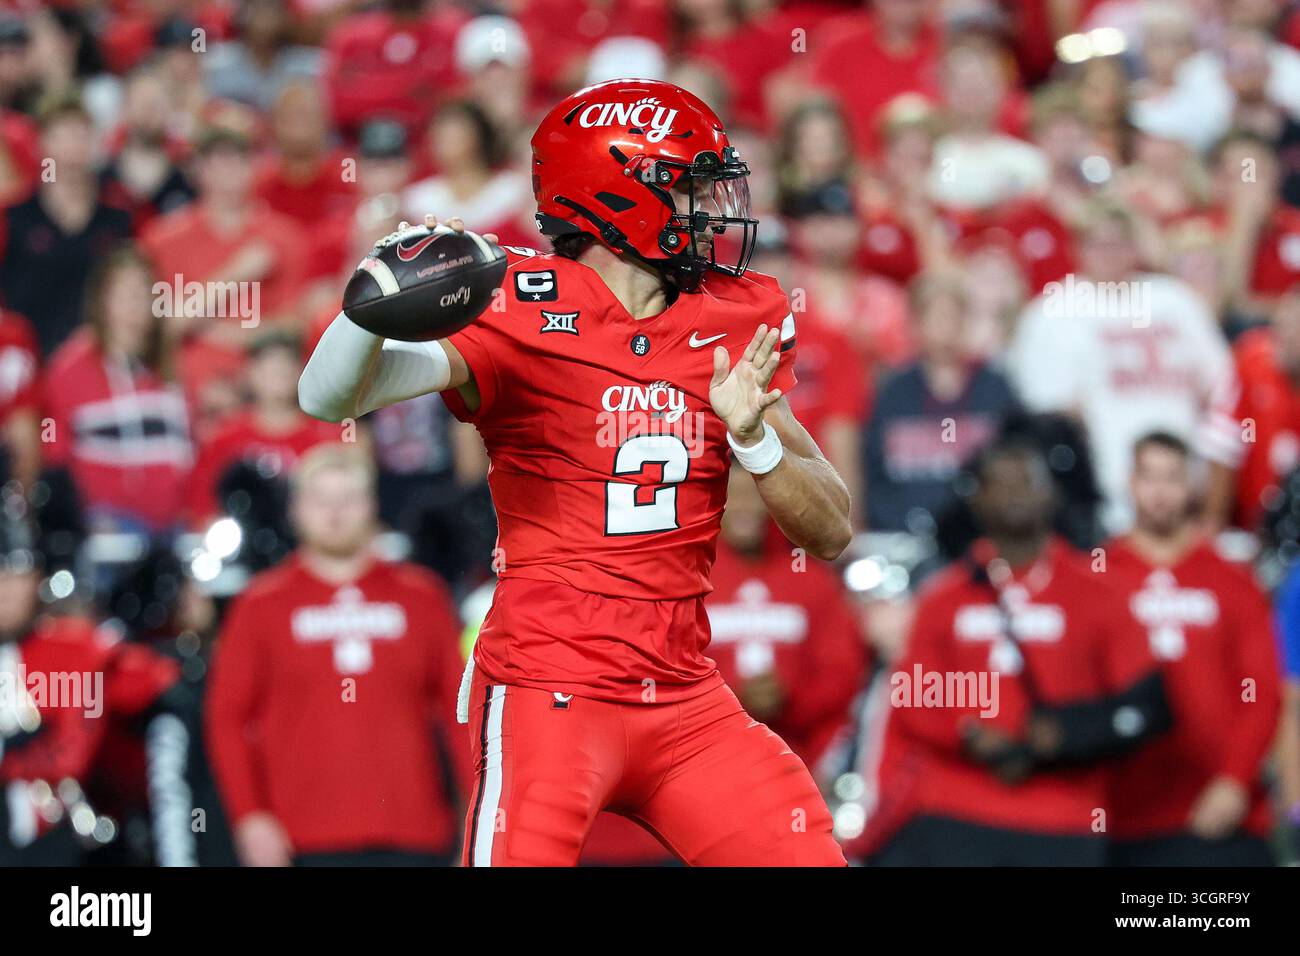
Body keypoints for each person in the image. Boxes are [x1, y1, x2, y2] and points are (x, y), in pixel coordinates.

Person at [299, 78, 853, 866]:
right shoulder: (515, 302)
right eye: (690, 190)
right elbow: (326, 398)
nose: (711, 212)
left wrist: (755, 438)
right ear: (621, 198)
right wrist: (372, 303)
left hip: (685, 699)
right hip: (548, 692)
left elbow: (831, 530)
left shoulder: (734, 318)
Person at [869, 436, 1169, 866]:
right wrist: (969, 735)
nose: (1014, 493)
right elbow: (911, 699)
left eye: (1026, 481)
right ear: (977, 499)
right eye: (1000, 482)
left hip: (1063, 818)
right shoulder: (942, 599)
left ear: (1051, 494)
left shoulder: (1099, 593)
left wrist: (1063, 736)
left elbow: (1147, 706)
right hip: (954, 813)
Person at [205, 444, 467, 866]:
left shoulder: (423, 598)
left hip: (416, 837)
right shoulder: (260, 606)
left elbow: (463, 717)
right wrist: (250, 818)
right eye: (320, 500)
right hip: (301, 842)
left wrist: (476, 819)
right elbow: (227, 720)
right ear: (296, 509)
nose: (334, 512)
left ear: (371, 506)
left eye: (348, 498)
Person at [1104, 432, 1280, 866]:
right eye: (1149, 477)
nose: (1160, 492)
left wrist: (1235, 780)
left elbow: (1260, 691)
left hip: (1220, 812)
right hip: (1123, 814)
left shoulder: (1231, 580)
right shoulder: (1097, 577)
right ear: (1129, 483)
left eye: (1173, 478)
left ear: (1193, 487)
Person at [1008, 201, 1232, 532]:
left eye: (1119, 242)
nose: (1110, 253)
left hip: (1189, 497)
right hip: (1104, 503)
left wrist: (1214, 505)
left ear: (1135, 247)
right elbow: (1050, 421)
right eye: (1098, 243)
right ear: (1077, 248)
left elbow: (1223, 389)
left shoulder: (1175, 299)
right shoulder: (1049, 315)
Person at [707, 464, 867, 776]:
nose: (745, 507)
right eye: (732, 496)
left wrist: (790, 700)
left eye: (755, 496)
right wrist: (728, 703)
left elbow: (843, 671)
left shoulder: (811, 579)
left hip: (798, 757)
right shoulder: (688, 577)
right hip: (704, 756)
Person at [42, 243, 192, 536]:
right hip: (104, 527)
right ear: (102, 300)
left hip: (173, 527)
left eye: (143, 293)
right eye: (124, 293)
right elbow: (51, 439)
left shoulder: (171, 365)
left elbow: (189, 446)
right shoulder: (70, 366)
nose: (135, 304)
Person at [864, 272, 1019, 535]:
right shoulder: (892, 392)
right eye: (935, 317)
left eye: (953, 316)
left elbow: (1014, 463)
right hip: (904, 537)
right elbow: (873, 472)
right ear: (915, 325)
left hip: (983, 536)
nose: (945, 327)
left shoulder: (996, 387)